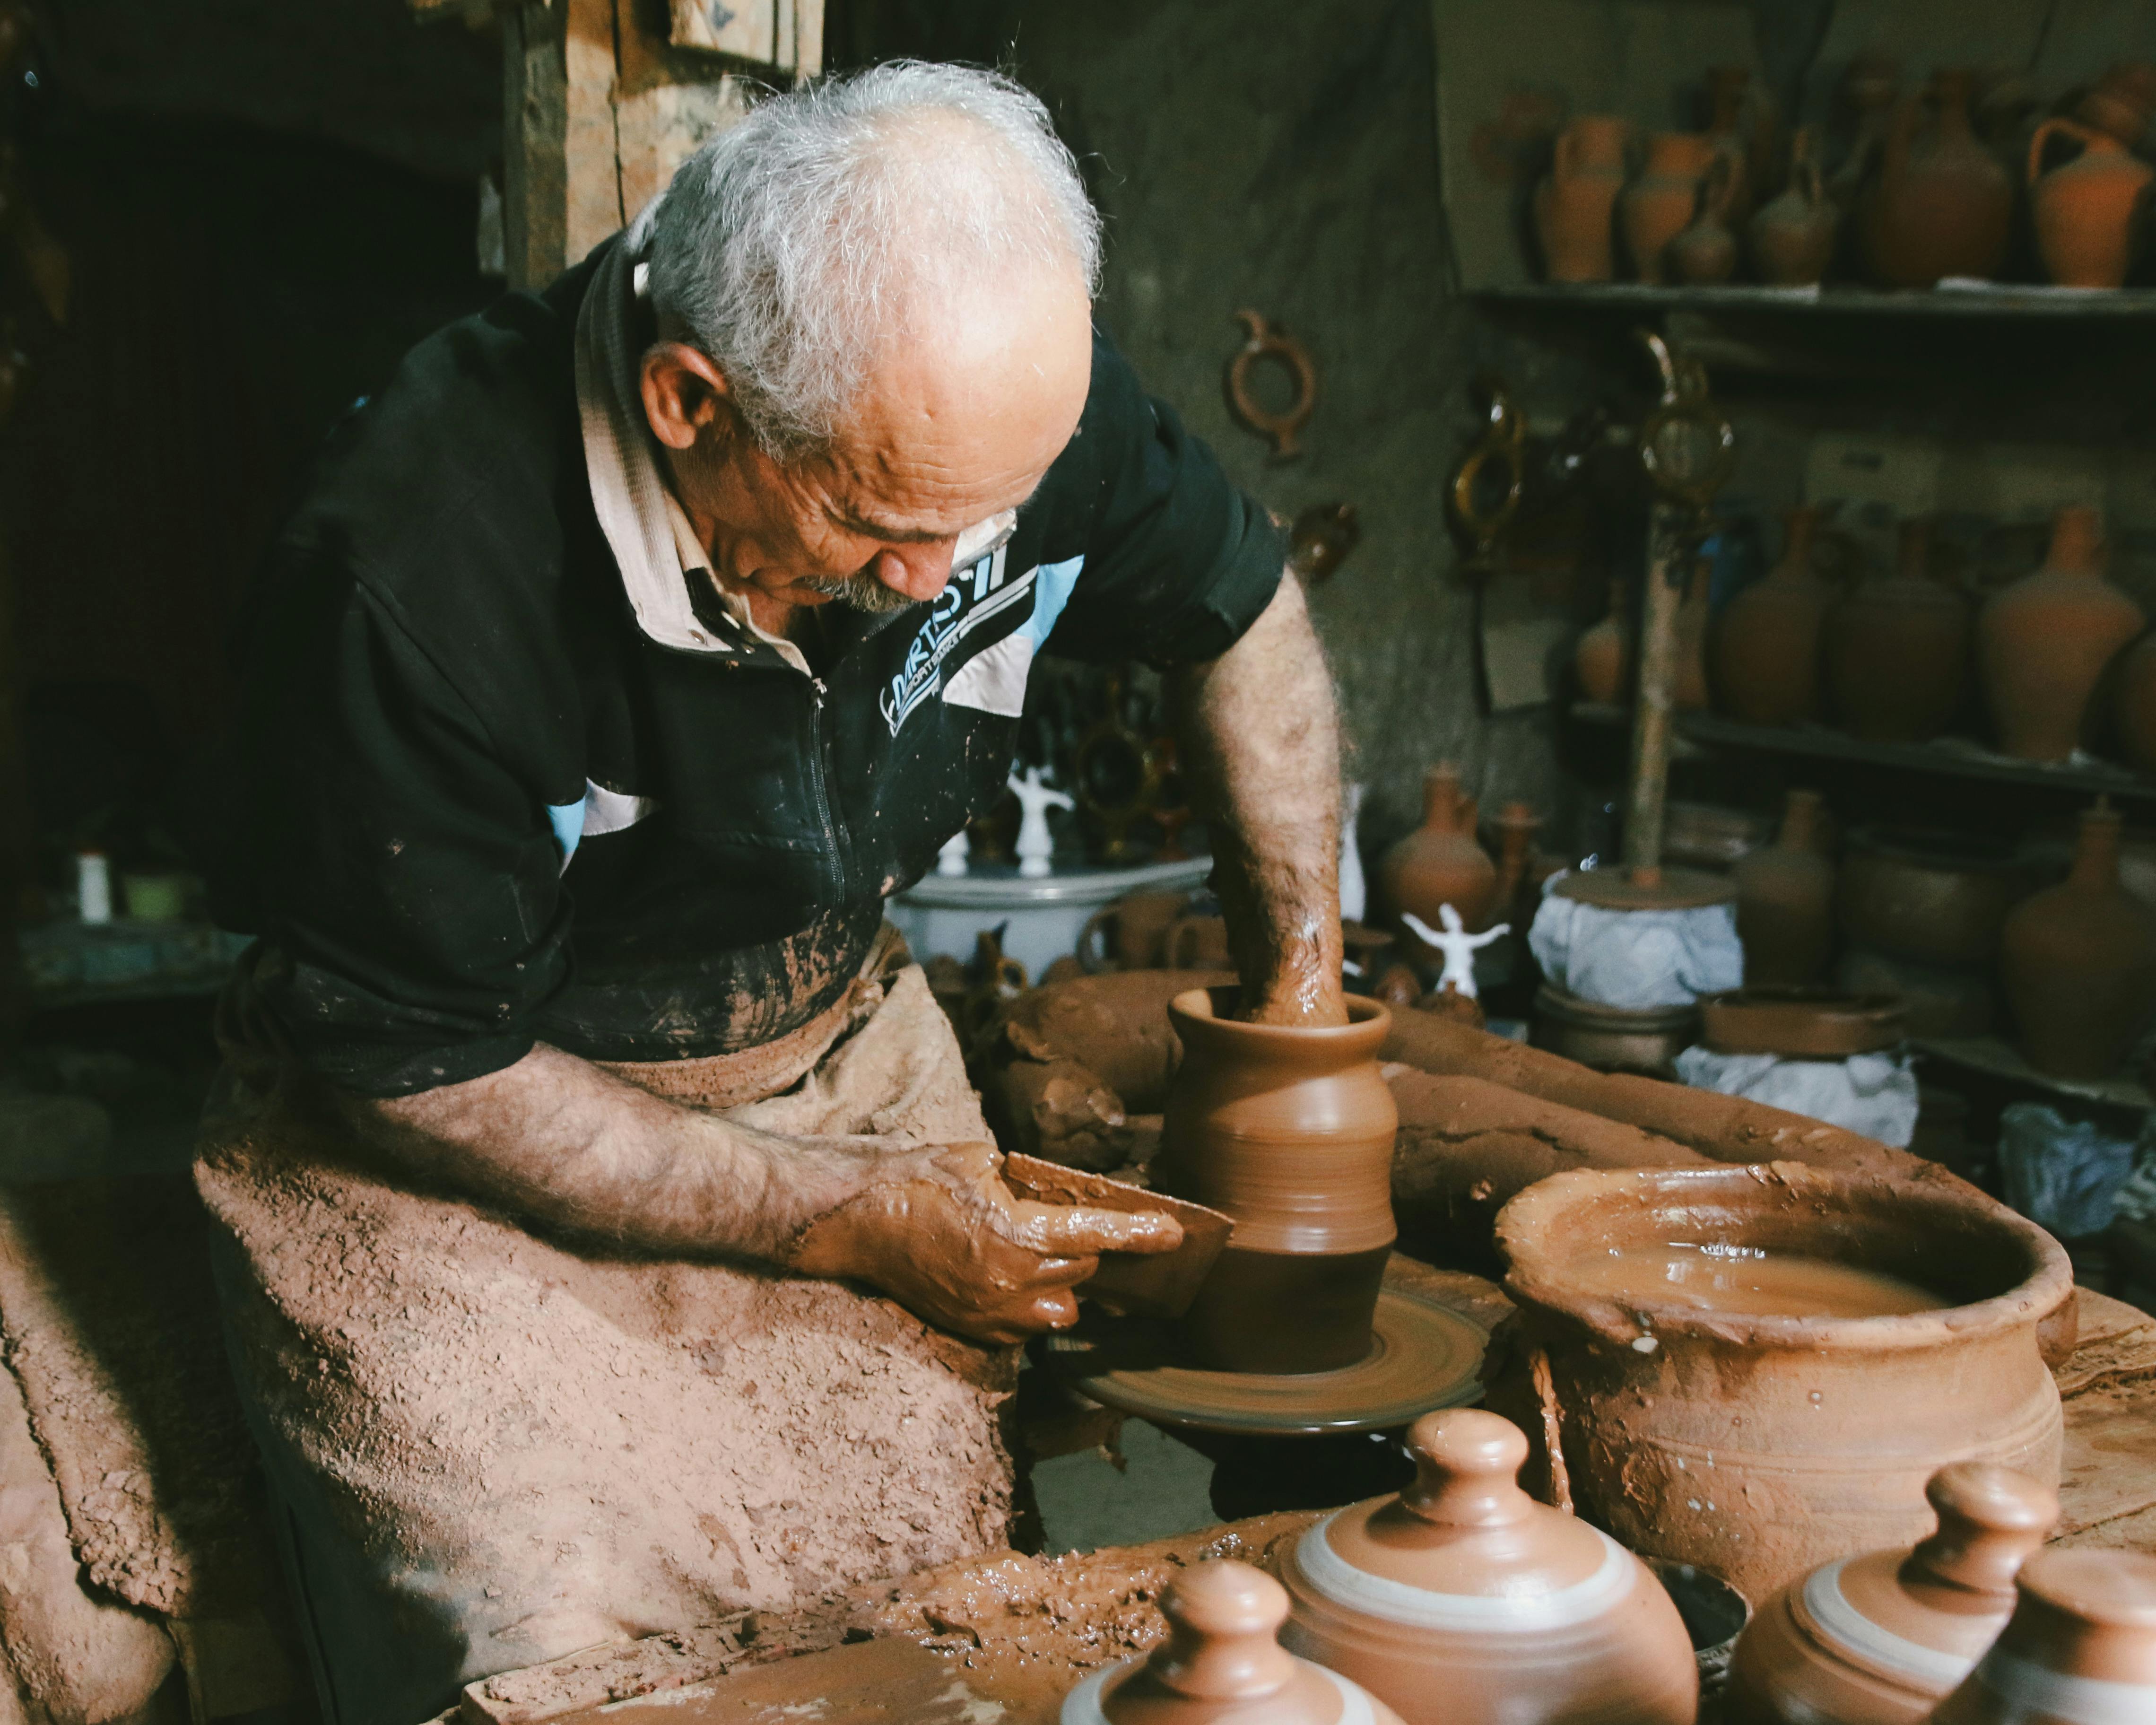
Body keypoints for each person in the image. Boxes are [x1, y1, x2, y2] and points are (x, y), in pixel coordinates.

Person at [200, 60, 1346, 1725]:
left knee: (932, 1612)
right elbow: (422, 1068)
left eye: (990, 517)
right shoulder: (416, 573)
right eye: (884, 526)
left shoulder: (981, 415)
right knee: (559, 1646)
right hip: (452, 1120)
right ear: (688, 404)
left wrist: (1301, 998)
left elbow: (1240, 609)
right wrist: (856, 1215)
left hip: (825, 1029)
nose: (942, 575)